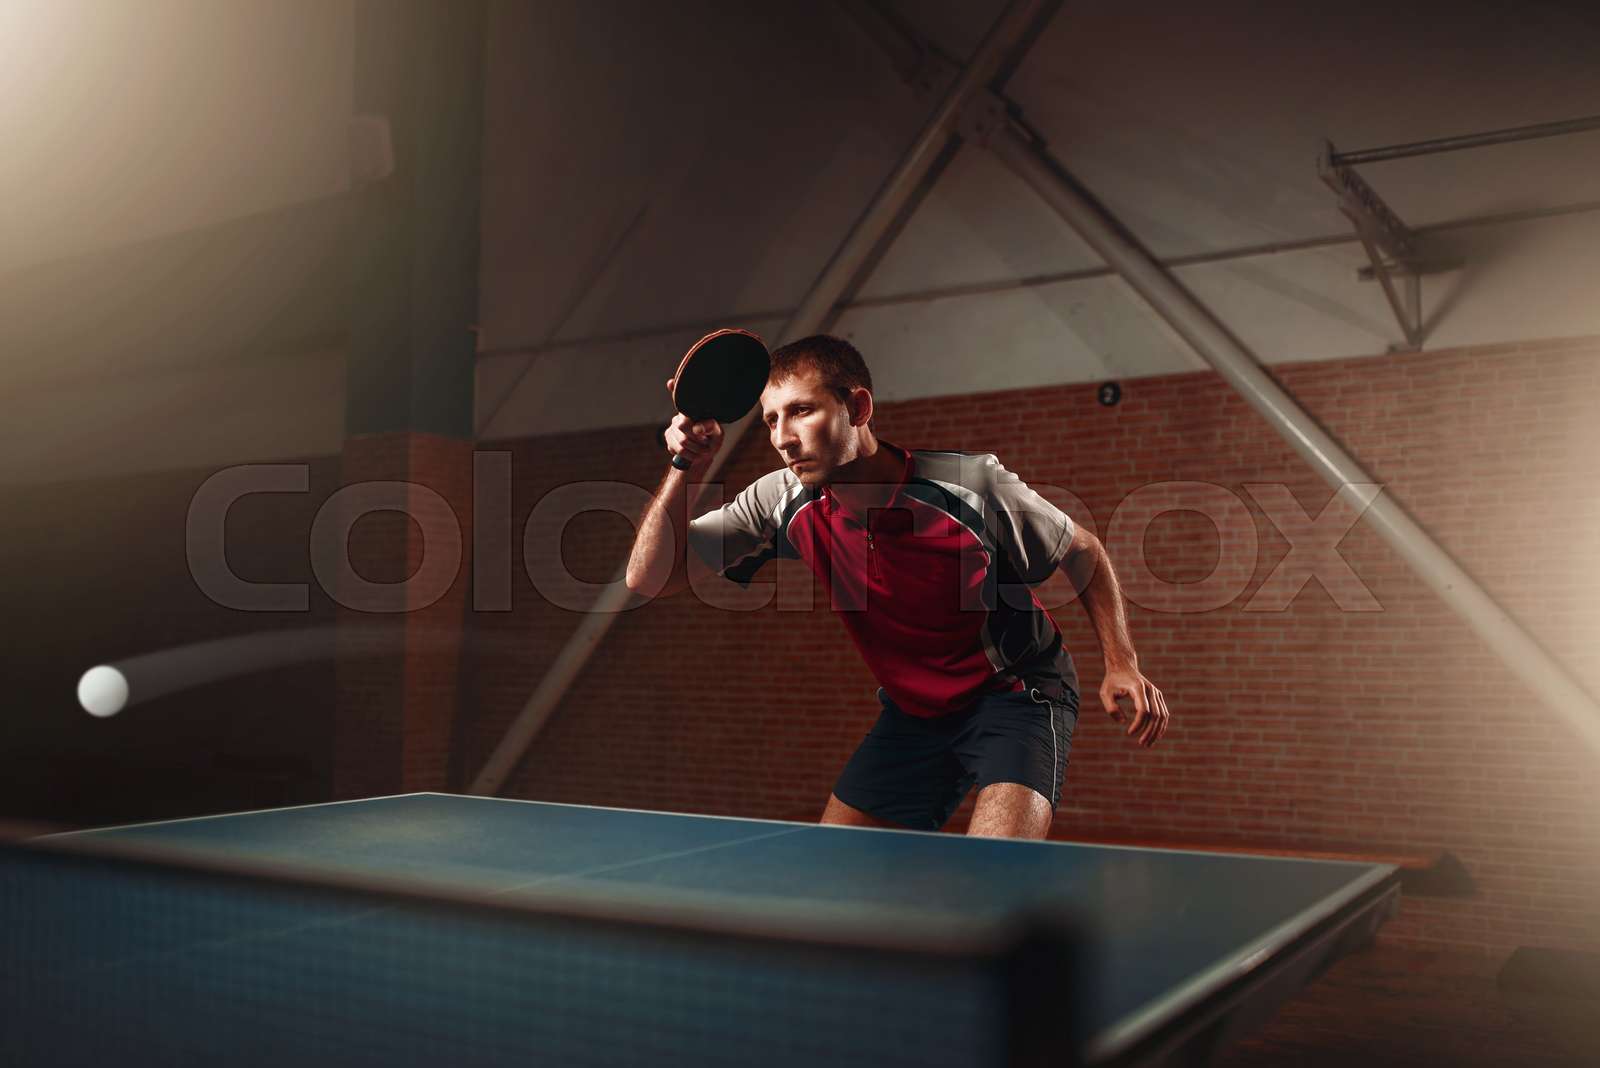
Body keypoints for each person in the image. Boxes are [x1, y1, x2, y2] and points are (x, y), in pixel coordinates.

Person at [625, 334, 1169, 839]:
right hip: (915, 713)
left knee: (996, 879)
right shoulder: (781, 500)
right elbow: (648, 577)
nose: (784, 438)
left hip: (1016, 695)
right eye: (770, 421)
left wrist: (1121, 661)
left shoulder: (970, 486)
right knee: (833, 877)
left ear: (858, 408)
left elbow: (1083, 552)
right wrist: (685, 464)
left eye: (802, 411)